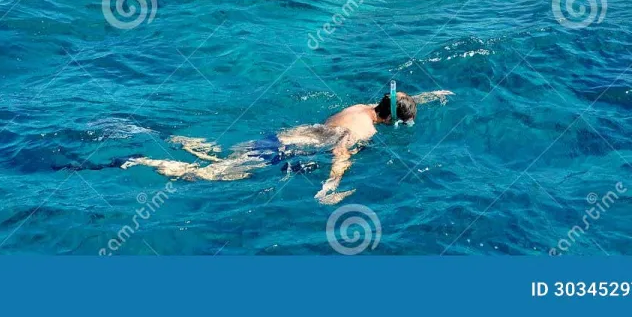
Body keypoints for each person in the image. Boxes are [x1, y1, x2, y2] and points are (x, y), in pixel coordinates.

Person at [121, 88, 452, 204]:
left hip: (280, 137)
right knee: (211, 176)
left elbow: (394, 102)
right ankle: (144, 160)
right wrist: (329, 187)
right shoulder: (365, 130)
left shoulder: (361, 109)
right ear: (393, 120)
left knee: (225, 159)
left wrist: (428, 97)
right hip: (283, 152)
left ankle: (188, 143)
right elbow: (341, 154)